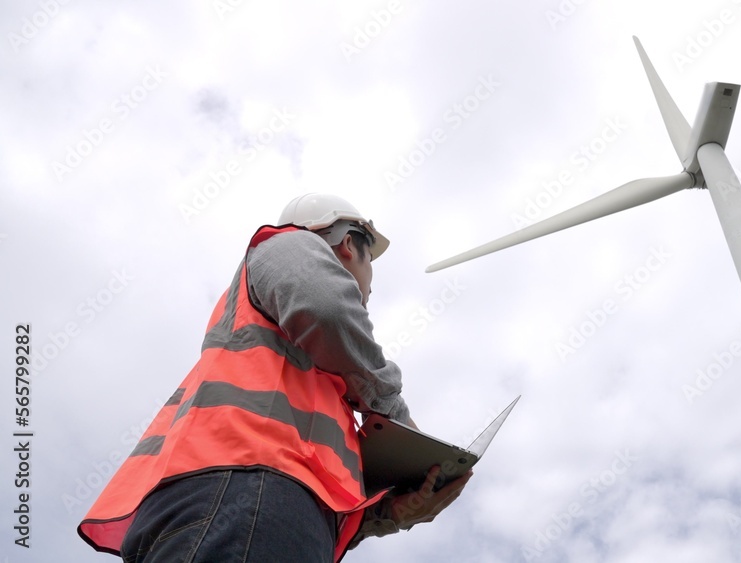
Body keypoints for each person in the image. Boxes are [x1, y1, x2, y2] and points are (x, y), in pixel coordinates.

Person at [78, 193, 471, 562]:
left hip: (236, 500)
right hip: (245, 493)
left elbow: (313, 491)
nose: (370, 290)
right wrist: (395, 413)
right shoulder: (287, 246)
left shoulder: (311, 376)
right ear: (348, 245)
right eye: (370, 267)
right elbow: (328, 310)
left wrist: (389, 512)